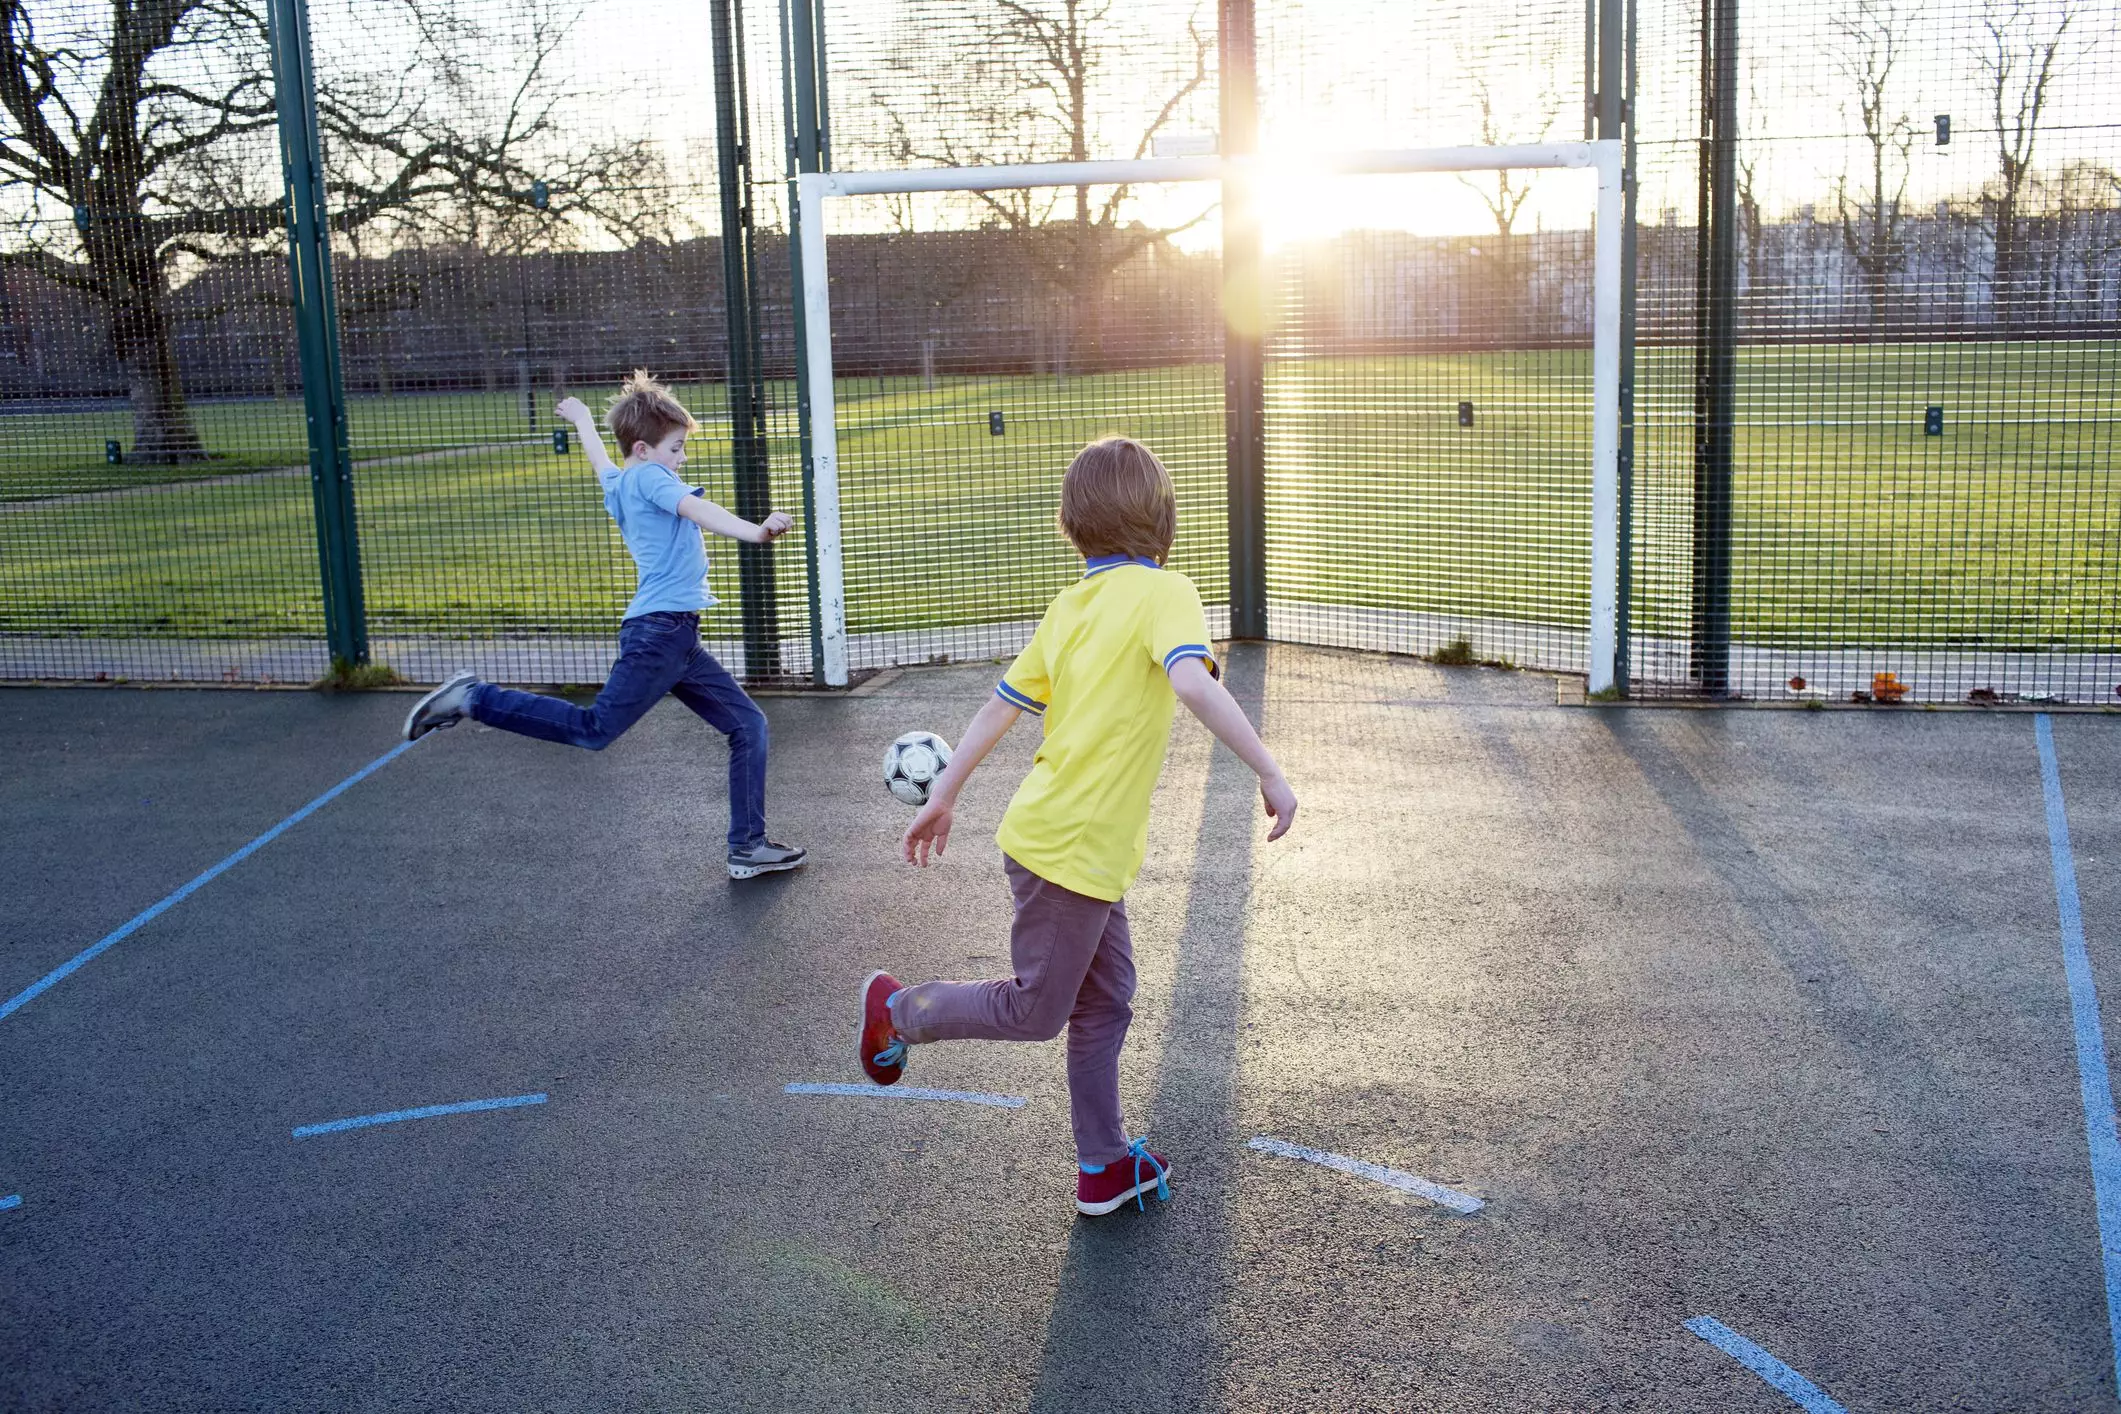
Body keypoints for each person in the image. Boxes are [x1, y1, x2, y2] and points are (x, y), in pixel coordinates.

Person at [855, 436, 1297, 1216]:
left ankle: (1102, 1165)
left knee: (1107, 999)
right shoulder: (1167, 593)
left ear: (1072, 523)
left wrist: (946, 793)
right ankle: (897, 1010)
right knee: (1037, 1011)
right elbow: (1191, 683)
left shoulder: (1071, 605)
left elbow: (1000, 705)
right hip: (1068, 849)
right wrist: (1266, 768)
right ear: (1162, 520)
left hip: (1072, 844)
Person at [402, 371, 807, 881]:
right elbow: (695, 507)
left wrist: (584, 421)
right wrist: (756, 531)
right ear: (642, 447)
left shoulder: (623, 481)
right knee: (593, 730)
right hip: (660, 636)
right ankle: (472, 697)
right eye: (676, 448)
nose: (681, 460)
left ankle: (748, 847)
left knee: (748, 724)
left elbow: (601, 463)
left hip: (674, 639)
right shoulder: (651, 477)